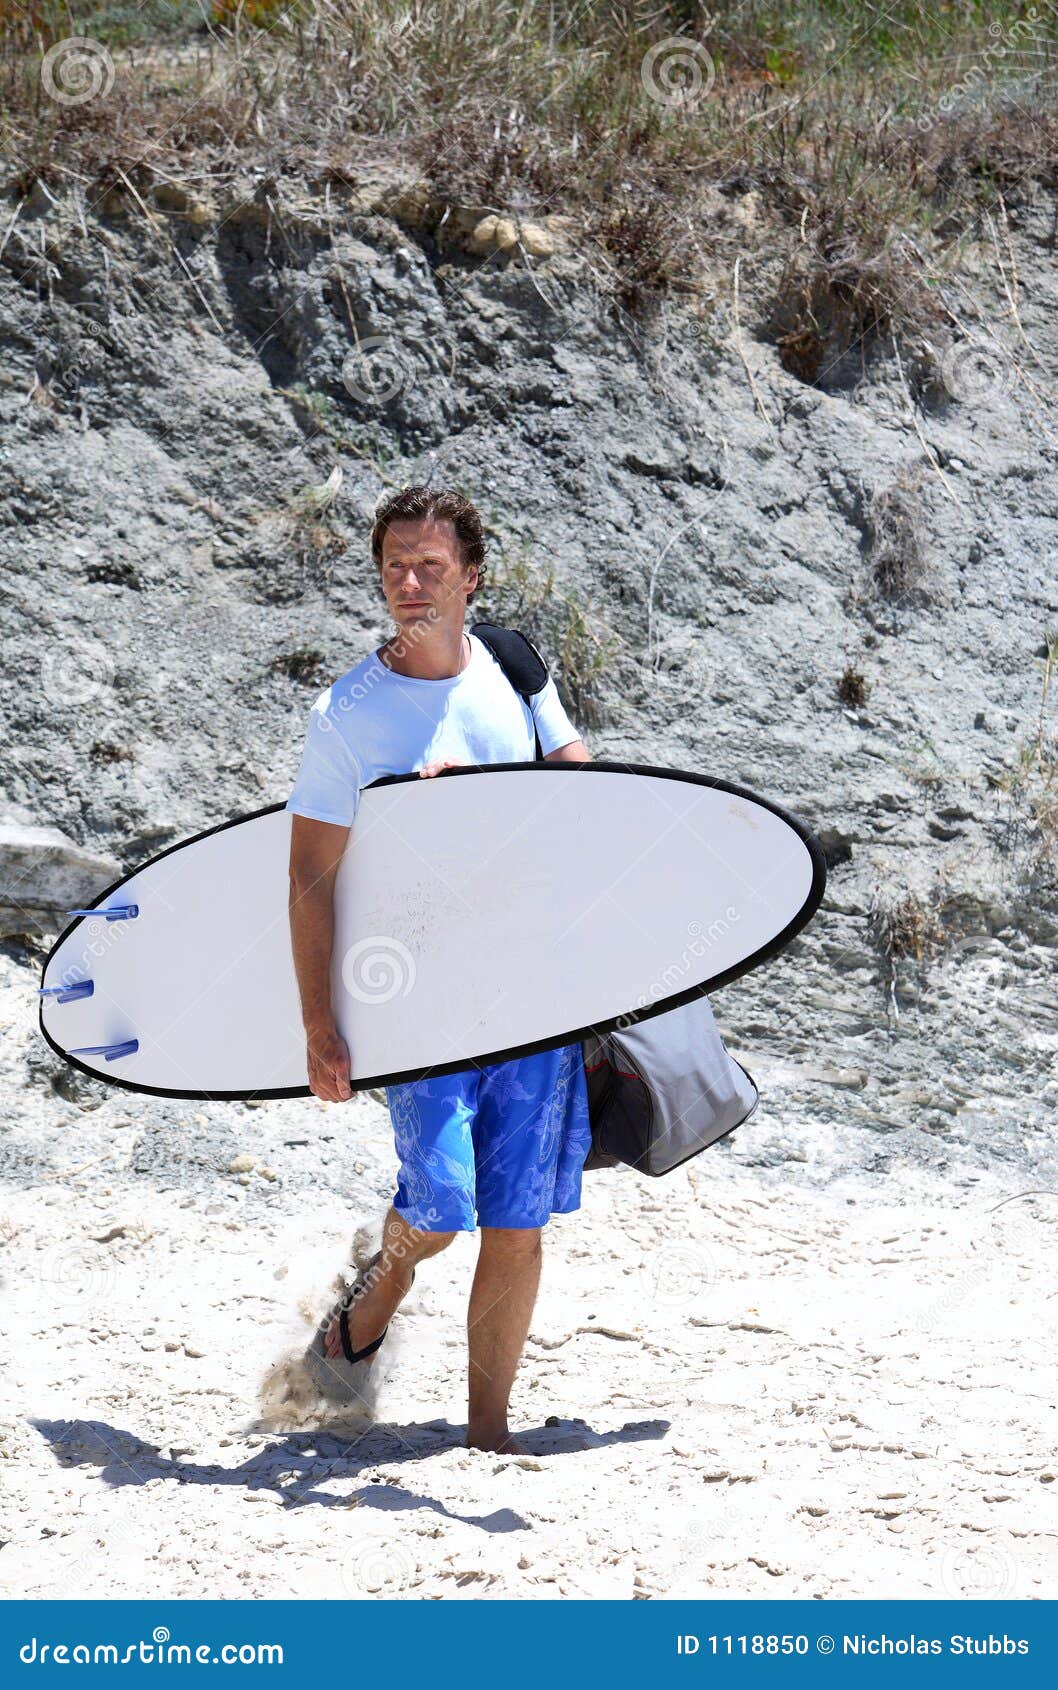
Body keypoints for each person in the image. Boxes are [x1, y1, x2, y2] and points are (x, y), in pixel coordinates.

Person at [285, 484, 593, 1454]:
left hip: (529, 991)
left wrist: (486, 797)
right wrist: (319, 1025)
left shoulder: (512, 667)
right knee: (443, 1211)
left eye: (429, 566)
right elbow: (309, 875)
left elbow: (591, 799)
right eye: (392, 568)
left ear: (470, 575)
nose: (409, 585)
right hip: (414, 998)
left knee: (516, 1219)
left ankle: (487, 1431)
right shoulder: (350, 714)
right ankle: (372, 1291)